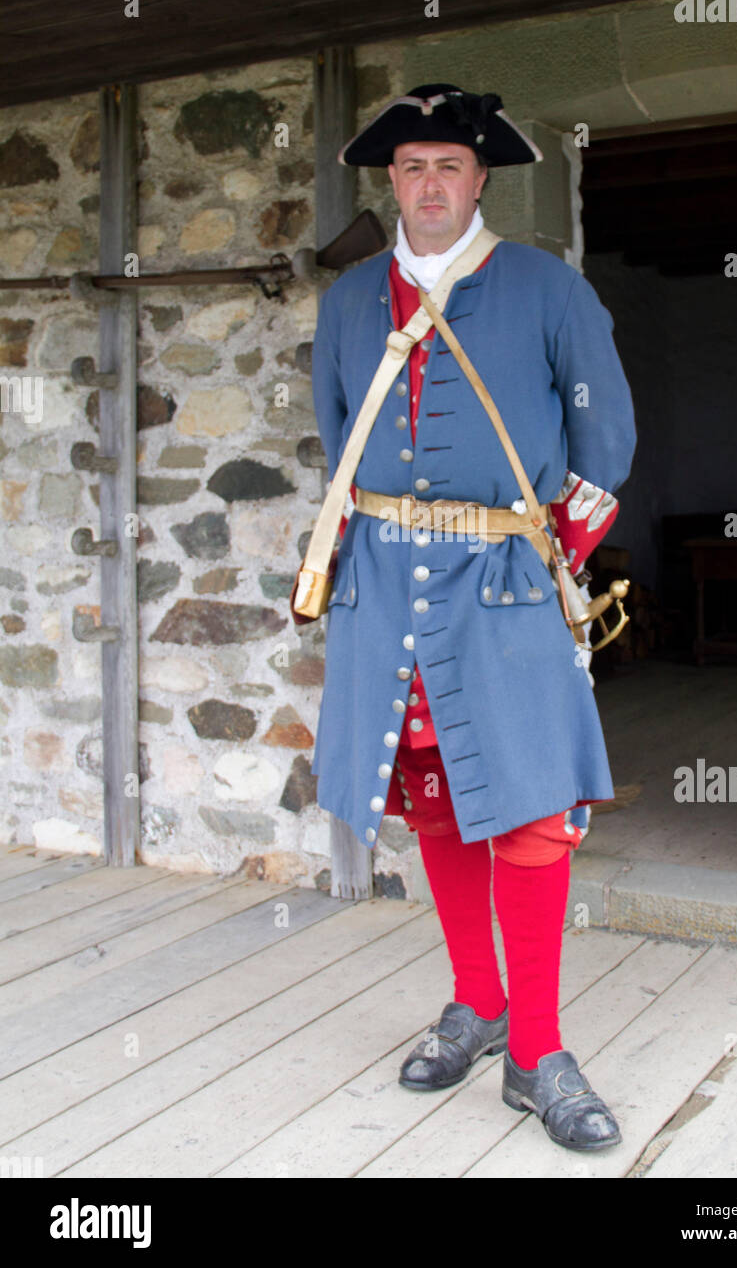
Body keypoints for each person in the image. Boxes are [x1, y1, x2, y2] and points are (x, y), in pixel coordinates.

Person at [295, 83, 636, 1152]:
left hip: (505, 585)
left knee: (533, 810)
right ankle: (474, 1002)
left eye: (448, 165)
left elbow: (605, 449)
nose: (429, 185)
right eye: (410, 169)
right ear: (388, 182)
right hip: (383, 585)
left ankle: (536, 1049)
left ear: (479, 178)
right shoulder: (349, 301)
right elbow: (334, 437)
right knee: (435, 805)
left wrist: (542, 567)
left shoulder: (547, 288)